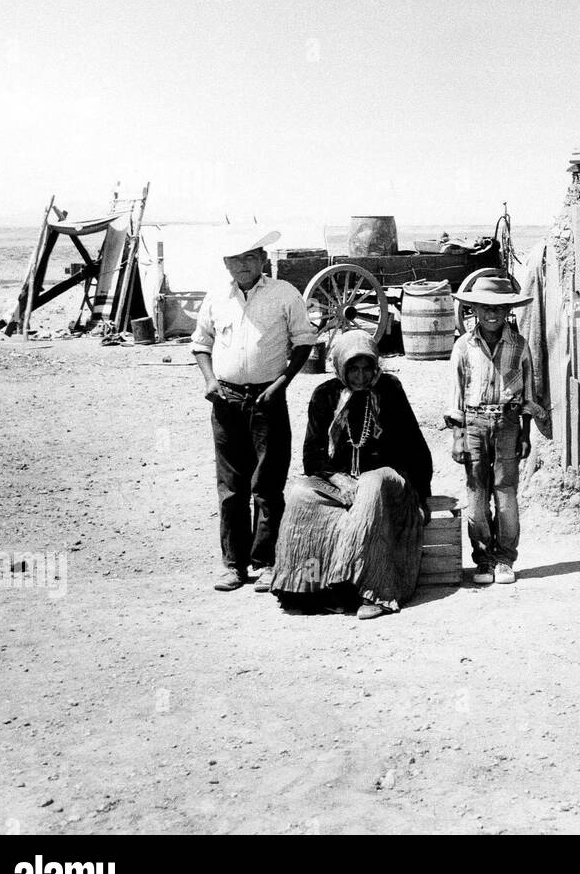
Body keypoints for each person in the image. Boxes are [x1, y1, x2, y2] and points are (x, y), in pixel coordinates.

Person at [269, 332, 432, 619]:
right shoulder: (325, 394)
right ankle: (309, 587)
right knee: (300, 494)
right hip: (339, 482)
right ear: (340, 368)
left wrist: (422, 494)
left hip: (386, 482)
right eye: (353, 369)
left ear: (375, 367)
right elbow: (312, 454)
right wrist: (336, 478)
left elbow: (413, 444)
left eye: (366, 368)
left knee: (371, 485)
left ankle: (368, 591)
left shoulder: (390, 389)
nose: (360, 376)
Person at [192, 227, 316, 593]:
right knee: (231, 489)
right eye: (235, 258)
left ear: (263, 259)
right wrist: (210, 381)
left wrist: (281, 385)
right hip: (226, 401)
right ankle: (234, 565)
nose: (242, 264)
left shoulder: (284, 294)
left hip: (268, 401)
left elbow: (304, 340)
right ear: (225, 263)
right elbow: (201, 343)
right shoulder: (216, 297)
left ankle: (265, 562)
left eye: (250, 256)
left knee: (267, 485)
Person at [446, 274, 545, 586]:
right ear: (474, 308)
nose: (492, 314)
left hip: (507, 425)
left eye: (499, 309)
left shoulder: (519, 346)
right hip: (473, 424)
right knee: (476, 493)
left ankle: (504, 558)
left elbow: (528, 394)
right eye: (485, 308)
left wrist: (526, 433)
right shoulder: (463, 346)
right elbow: (456, 394)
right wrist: (458, 436)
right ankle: (483, 558)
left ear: (508, 312)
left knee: (505, 493)